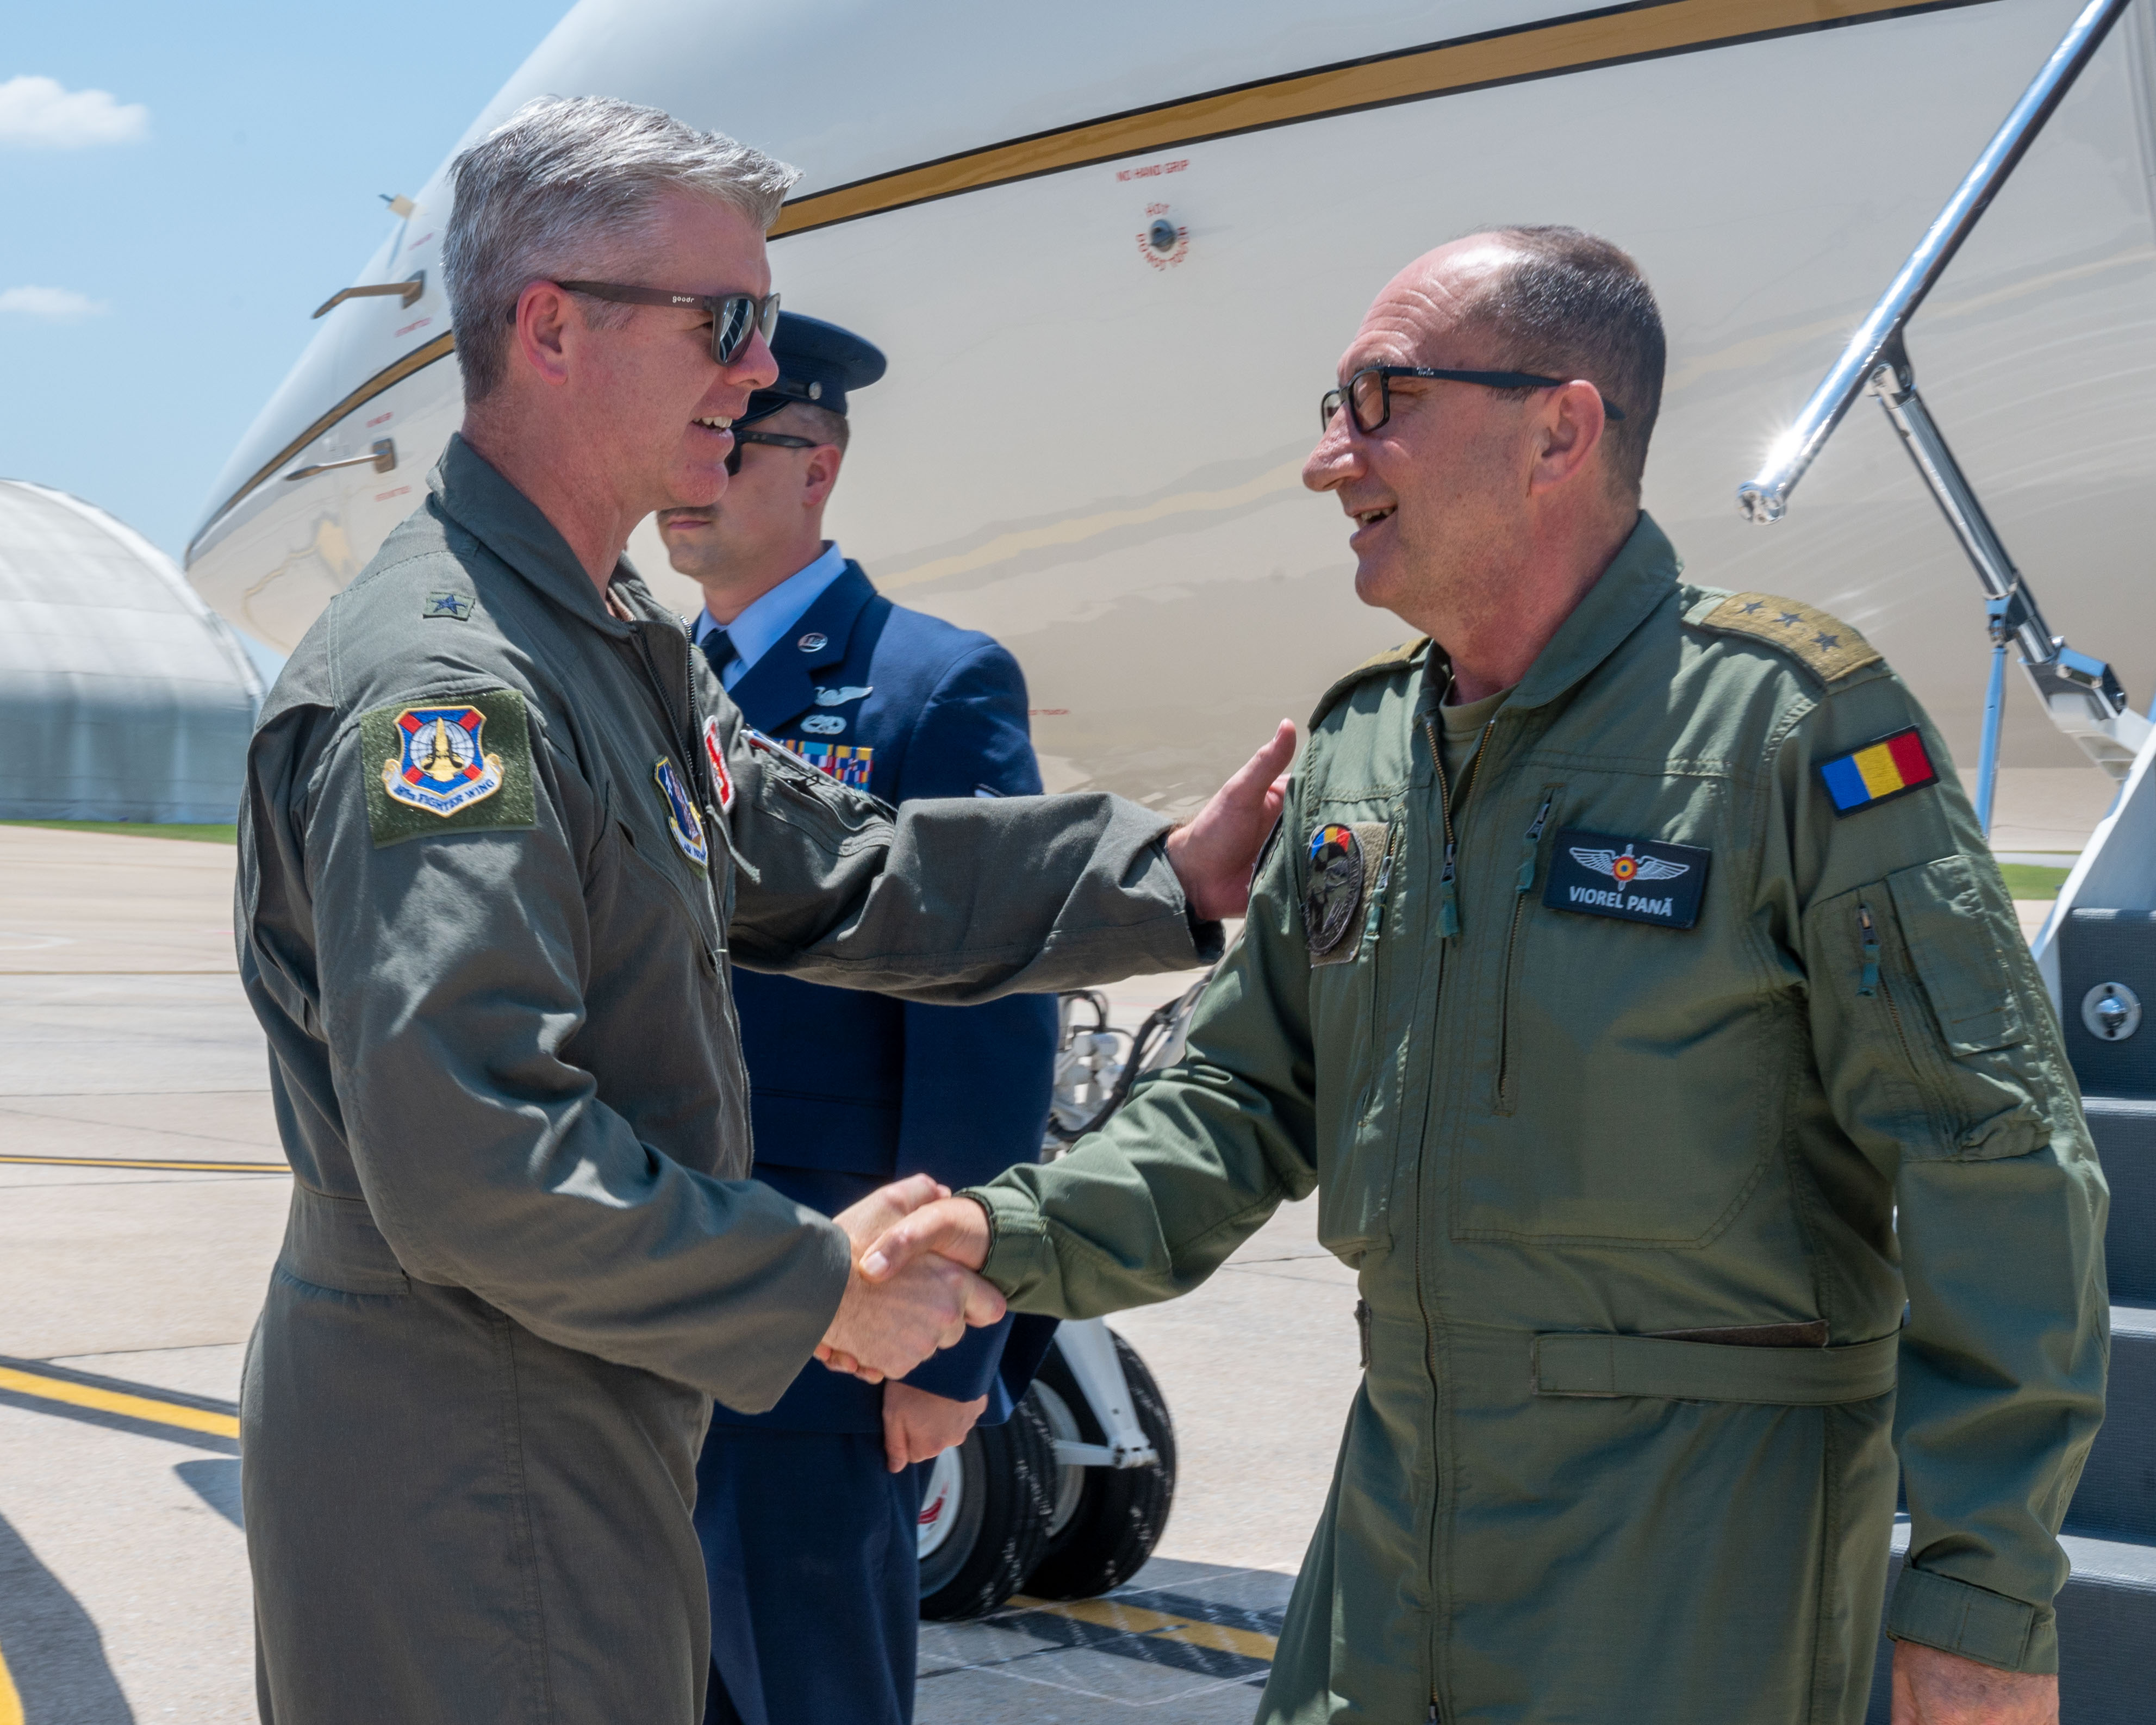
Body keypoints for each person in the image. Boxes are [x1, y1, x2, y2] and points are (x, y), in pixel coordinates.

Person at [859, 227, 2109, 1725]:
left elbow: (1998, 1165)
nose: (1334, 459)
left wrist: (1981, 1601)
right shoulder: (1365, 752)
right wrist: (1002, 1233)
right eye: (1331, 407)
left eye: (1381, 398)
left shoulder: (1793, 732)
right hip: (1401, 1528)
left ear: (1559, 431)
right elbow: (1242, 1100)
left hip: (1699, 1568)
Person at [233, 95, 1292, 1725]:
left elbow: (835, 866)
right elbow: (471, 1154)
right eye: (726, 322)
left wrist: (1166, 873)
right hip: (474, 1445)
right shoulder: (457, 692)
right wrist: (818, 1285)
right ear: (552, 328)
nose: (753, 367)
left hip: (585, 1396)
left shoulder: (603, 642)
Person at [653, 310, 1062, 1725]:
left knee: (810, 1691)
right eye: (681, 436)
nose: (682, 475)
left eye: (726, 442)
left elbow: (991, 1024)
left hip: (832, 1329)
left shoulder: (928, 687)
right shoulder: (645, 685)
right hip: (657, 1300)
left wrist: (953, 1346)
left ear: (816, 462)